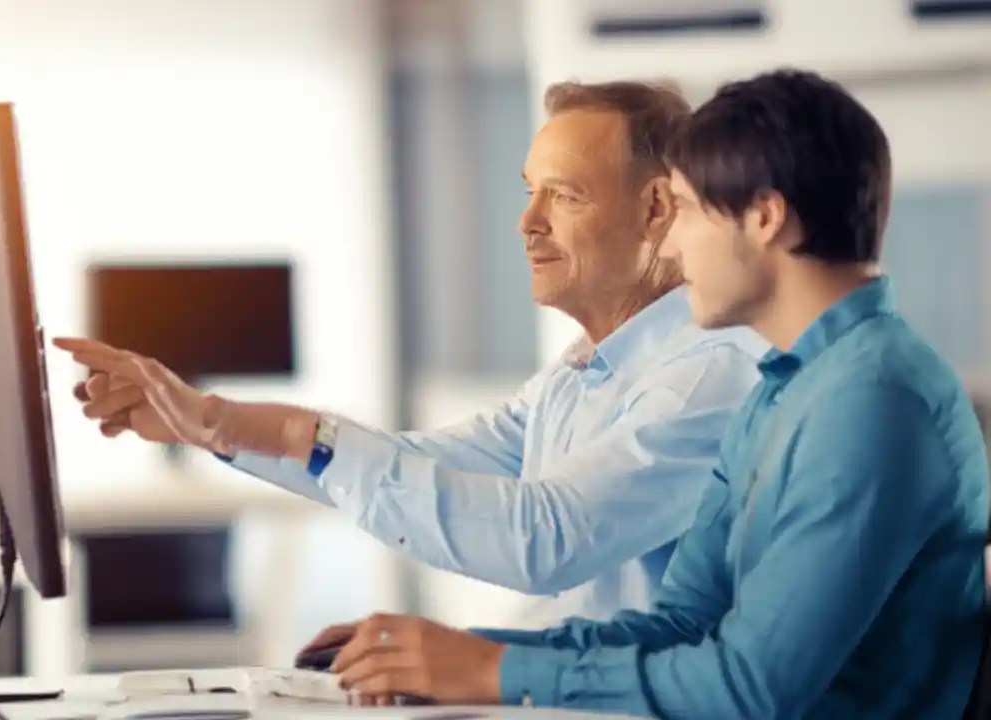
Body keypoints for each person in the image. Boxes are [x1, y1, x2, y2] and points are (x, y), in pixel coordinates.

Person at [279, 69, 991, 717]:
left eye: (682, 210)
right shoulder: (785, 387)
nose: (672, 246)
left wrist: (493, 670)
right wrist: (448, 653)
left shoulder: (874, 401)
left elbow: (749, 686)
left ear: (765, 217)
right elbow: (679, 623)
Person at [55, 80, 766, 625]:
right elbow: (421, 462)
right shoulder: (583, 373)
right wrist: (214, 422)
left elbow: (550, 539)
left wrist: (303, 434)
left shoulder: (709, 372)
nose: (526, 222)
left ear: (655, 211)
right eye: (528, 192)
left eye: (564, 196)